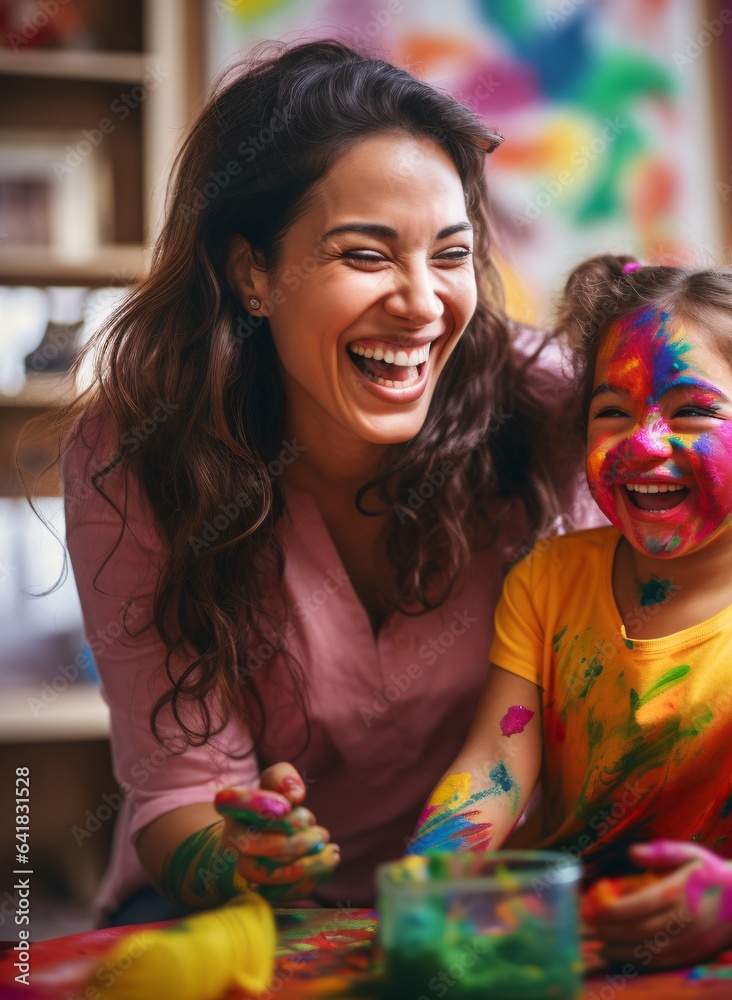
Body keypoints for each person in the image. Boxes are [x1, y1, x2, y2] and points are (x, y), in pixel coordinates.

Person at [59, 40, 592, 925]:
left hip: (493, 893)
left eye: (450, 254)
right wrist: (240, 855)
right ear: (252, 274)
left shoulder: (548, 408)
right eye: (366, 254)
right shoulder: (134, 457)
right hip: (236, 914)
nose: (423, 303)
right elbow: (178, 793)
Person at [408, 250, 732, 967]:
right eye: (613, 411)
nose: (644, 442)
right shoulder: (546, 580)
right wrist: (429, 877)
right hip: (578, 935)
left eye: (692, 411)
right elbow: (495, 765)